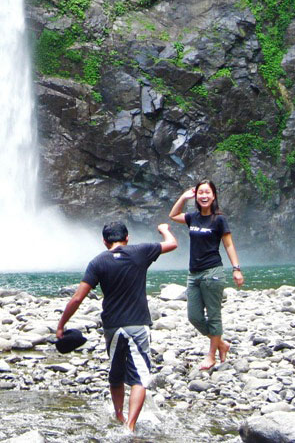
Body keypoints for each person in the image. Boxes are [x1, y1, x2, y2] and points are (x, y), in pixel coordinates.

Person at [55, 220, 178, 432]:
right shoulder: (141, 252)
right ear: (127, 238)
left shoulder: (98, 262)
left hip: (112, 326)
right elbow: (172, 244)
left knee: (116, 373)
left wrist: (61, 325)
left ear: (104, 241)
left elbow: (77, 298)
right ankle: (130, 426)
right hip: (138, 323)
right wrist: (165, 230)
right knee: (139, 376)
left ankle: (120, 415)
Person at [169, 180, 245, 370]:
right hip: (193, 274)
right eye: (200, 193)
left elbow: (228, 244)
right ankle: (221, 344)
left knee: (213, 315)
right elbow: (173, 215)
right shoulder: (192, 217)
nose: (204, 196)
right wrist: (184, 197)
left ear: (214, 196)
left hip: (213, 272)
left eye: (207, 193)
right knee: (194, 316)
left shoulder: (219, 219)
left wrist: (236, 268)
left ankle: (211, 355)